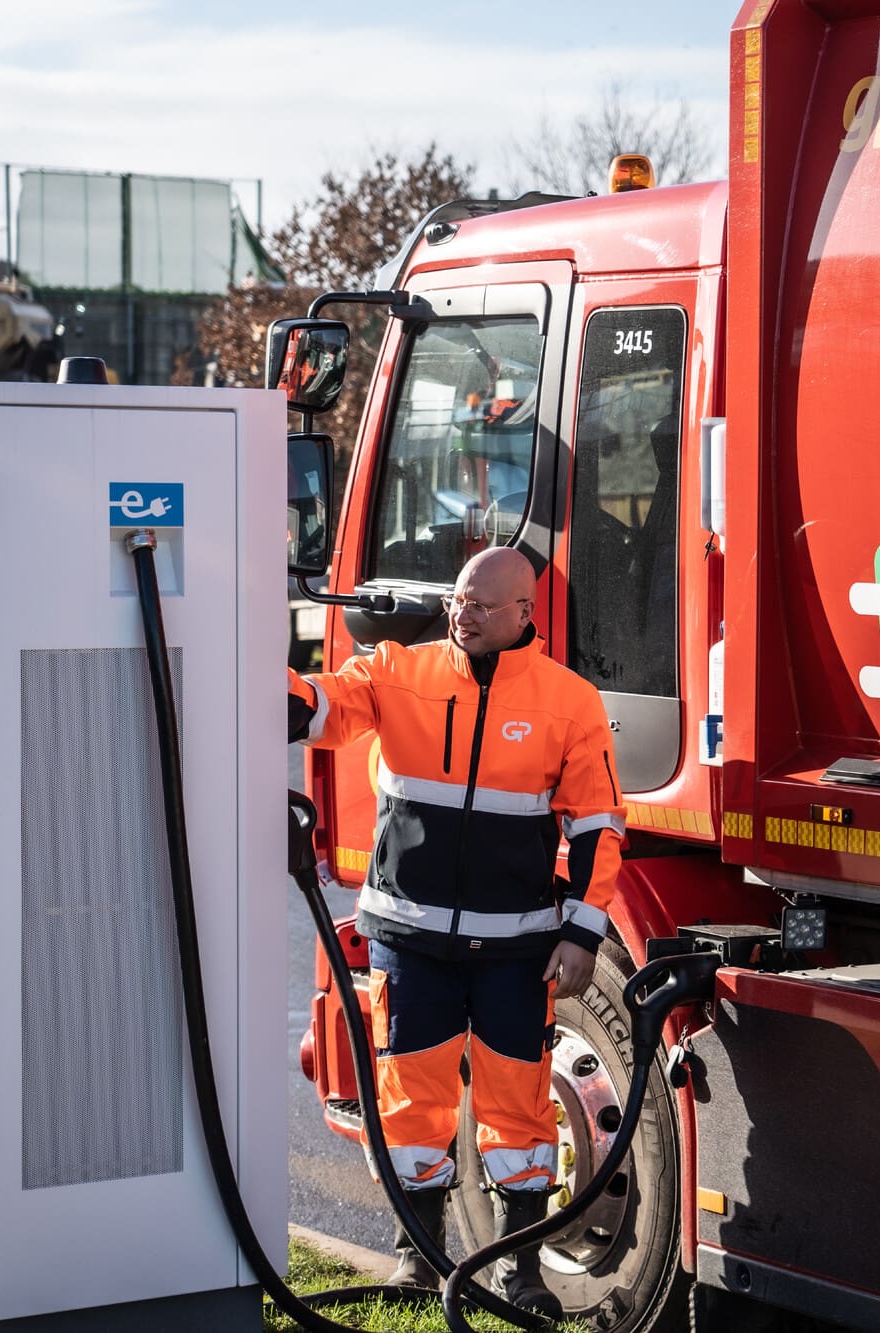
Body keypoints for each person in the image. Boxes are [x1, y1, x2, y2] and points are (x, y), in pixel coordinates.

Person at [287, 547, 625, 1312]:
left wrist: (584, 932)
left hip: (517, 946)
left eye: (478, 604)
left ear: (524, 614)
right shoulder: (398, 672)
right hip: (411, 939)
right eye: (456, 600)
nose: (460, 614)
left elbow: (601, 825)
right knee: (413, 1102)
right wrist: (243, 656)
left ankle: (521, 1271)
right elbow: (319, 705)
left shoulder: (568, 701)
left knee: (521, 1107)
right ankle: (417, 1259)